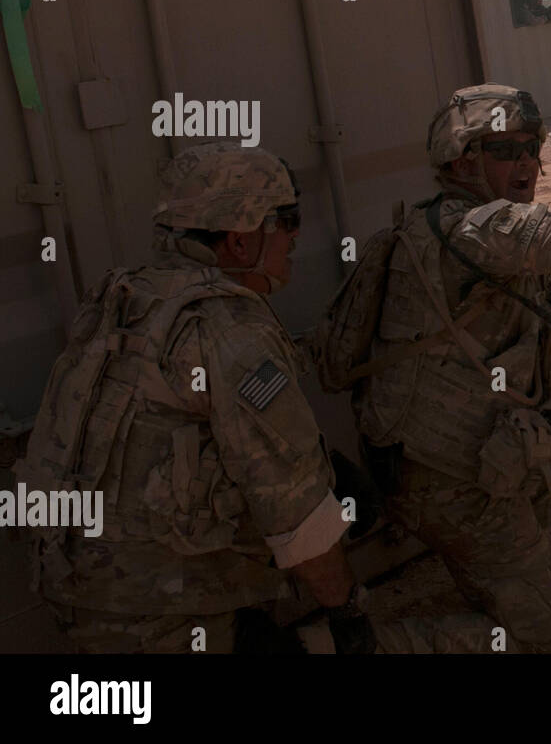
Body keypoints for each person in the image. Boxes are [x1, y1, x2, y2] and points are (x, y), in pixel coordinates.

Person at [15, 143, 459, 653]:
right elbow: (298, 514)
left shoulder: (123, 295)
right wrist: (348, 611)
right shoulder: (229, 330)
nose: (295, 234)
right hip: (160, 616)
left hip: (82, 590)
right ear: (239, 242)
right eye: (286, 219)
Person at [351, 11, 551, 650]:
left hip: (439, 462)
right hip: (445, 481)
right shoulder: (479, 227)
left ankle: (525, 549)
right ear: (462, 159)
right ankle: (358, 644)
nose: (527, 162)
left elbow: (534, 297)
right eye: (505, 150)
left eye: (532, 148)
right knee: (539, 631)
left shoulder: (456, 225)